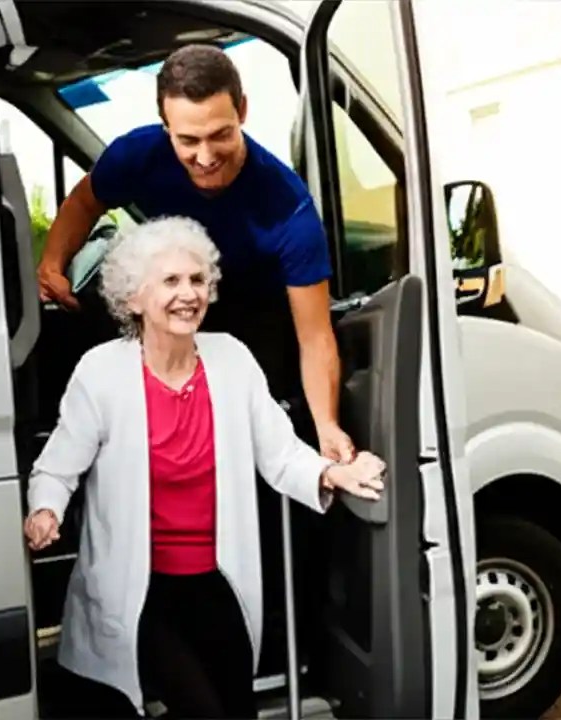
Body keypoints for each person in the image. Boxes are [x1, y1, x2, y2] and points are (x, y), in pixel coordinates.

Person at [23, 217, 387, 719]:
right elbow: (58, 468)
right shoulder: (101, 373)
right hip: (141, 589)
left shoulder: (231, 359)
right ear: (133, 298)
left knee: (236, 712)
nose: (188, 294)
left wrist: (331, 473)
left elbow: (280, 453)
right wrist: (45, 510)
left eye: (197, 280)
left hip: (220, 583)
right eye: (170, 281)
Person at [36, 43, 355, 463]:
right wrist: (53, 264)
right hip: (170, 316)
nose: (205, 157)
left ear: (242, 110)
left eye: (220, 135)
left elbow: (314, 337)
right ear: (165, 125)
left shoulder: (288, 208)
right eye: (188, 140)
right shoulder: (139, 155)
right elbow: (84, 201)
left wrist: (326, 427)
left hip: (253, 322)